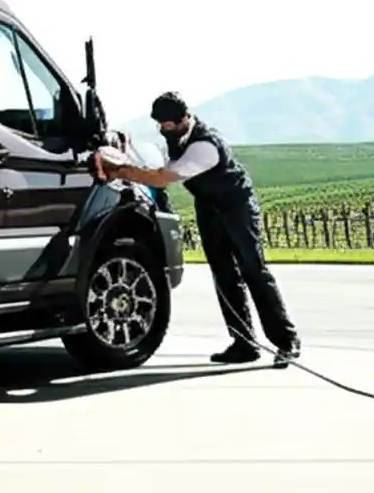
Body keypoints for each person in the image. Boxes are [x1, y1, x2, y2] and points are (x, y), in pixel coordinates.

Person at [95, 92, 301, 366]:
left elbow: (164, 177)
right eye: (160, 124)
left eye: (167, 124)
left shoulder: (205, 145)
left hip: (236, 206)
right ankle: (244, 343)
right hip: (208, 207)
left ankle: (286, 340)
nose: (163, 129)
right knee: (223, 273)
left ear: (182, 119)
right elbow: (160, 167)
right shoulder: (176, 140)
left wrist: (121, 170)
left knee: (253, 269)